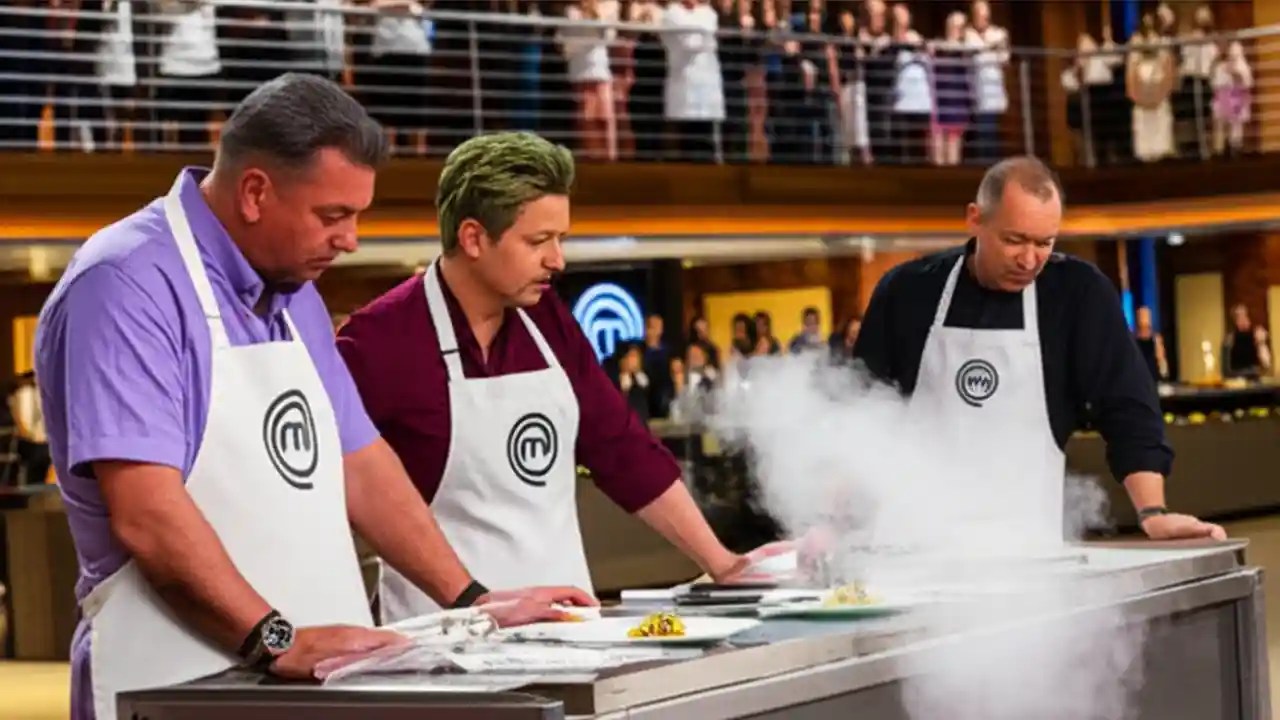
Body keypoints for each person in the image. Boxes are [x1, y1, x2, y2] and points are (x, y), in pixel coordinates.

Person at [34, 75, 590, 720]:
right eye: (333, 216)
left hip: (313, 686)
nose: (350, 239)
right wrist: (274, 639)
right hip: (177, 682)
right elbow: (147, 516)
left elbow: (361, 462)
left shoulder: (293, 291)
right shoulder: (126, 285)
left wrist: (470, 600)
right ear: (254, 192)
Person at [336, 131, 782, 624]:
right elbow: (345, 495)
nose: (558, 260)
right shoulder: (377, 341)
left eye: (560, 239)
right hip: (446, 637)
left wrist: (723, 563)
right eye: (538, 241)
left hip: (568, 624)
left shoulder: (547, 319)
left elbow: (620, 447)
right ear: (473, 238)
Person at [853, 156, 1225, 545]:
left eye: (1044, 243)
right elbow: (857, 411)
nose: (1029, 260)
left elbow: (1127, 404)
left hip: (1025, 548)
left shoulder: (1076, 293)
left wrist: (1153, 513)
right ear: (975, 218)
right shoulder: (909, 290)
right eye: (1013, 240)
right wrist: (829, 526)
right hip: (912, 541)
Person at [8, 371, 49, 485]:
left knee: (39, 474)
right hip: (31, 441)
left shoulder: (40, 393)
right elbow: (20, 417)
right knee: (31, 473)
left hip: (41, 440)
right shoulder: (23, 393)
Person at [1223, 304, 1271, 380]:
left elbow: (1266, 364)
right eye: (1240, 317)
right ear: (1235, 321)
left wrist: (1261, 343)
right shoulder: (1229, 339)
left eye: (1245, 316)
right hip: (1237, 381)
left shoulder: (1256, 335)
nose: (1244, 320)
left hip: (1254, 379)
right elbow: (1226, 370)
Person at [1133, 306, 1168, 382]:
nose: (1144, 332)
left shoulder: (1156, 341)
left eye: (1147, 327)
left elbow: (1163, 371)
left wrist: (1161, 361)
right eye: (1141, 328)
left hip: (1154, 383)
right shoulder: (1132, 343)